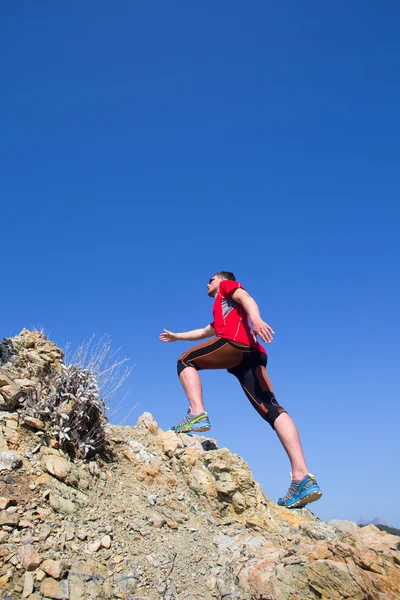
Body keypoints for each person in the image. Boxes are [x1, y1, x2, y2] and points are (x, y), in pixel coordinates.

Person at [159, 271, 322, 509]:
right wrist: (177, 336)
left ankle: (196, 413)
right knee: (272, 410)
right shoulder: (222, 310)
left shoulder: (226, 286)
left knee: (185, 361)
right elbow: (206, 332)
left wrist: (256, 320)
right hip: (252, 355)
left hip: (236, 345)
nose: (208, 283)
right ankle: (302, 478)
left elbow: (246, 297)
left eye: (210, 279)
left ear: (220, 279)